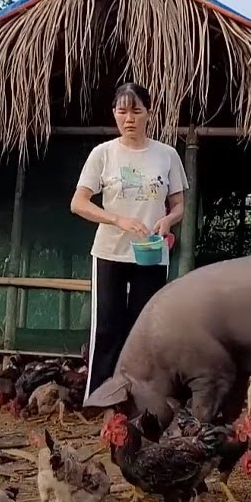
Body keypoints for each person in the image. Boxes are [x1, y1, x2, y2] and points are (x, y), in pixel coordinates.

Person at [70, 82, 188, 402]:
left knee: (143, 328)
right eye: (122, 111)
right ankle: (98, 397)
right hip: (109, 251)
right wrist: (117, 219)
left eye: (136, 110)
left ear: (149, 113)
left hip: (151, 253)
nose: (129, 118)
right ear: (114, 114)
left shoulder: (167, 155)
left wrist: (167, 220)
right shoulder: (103, 154)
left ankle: (140, 398)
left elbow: (179, 205)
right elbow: (78, 203)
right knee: (106, 327)